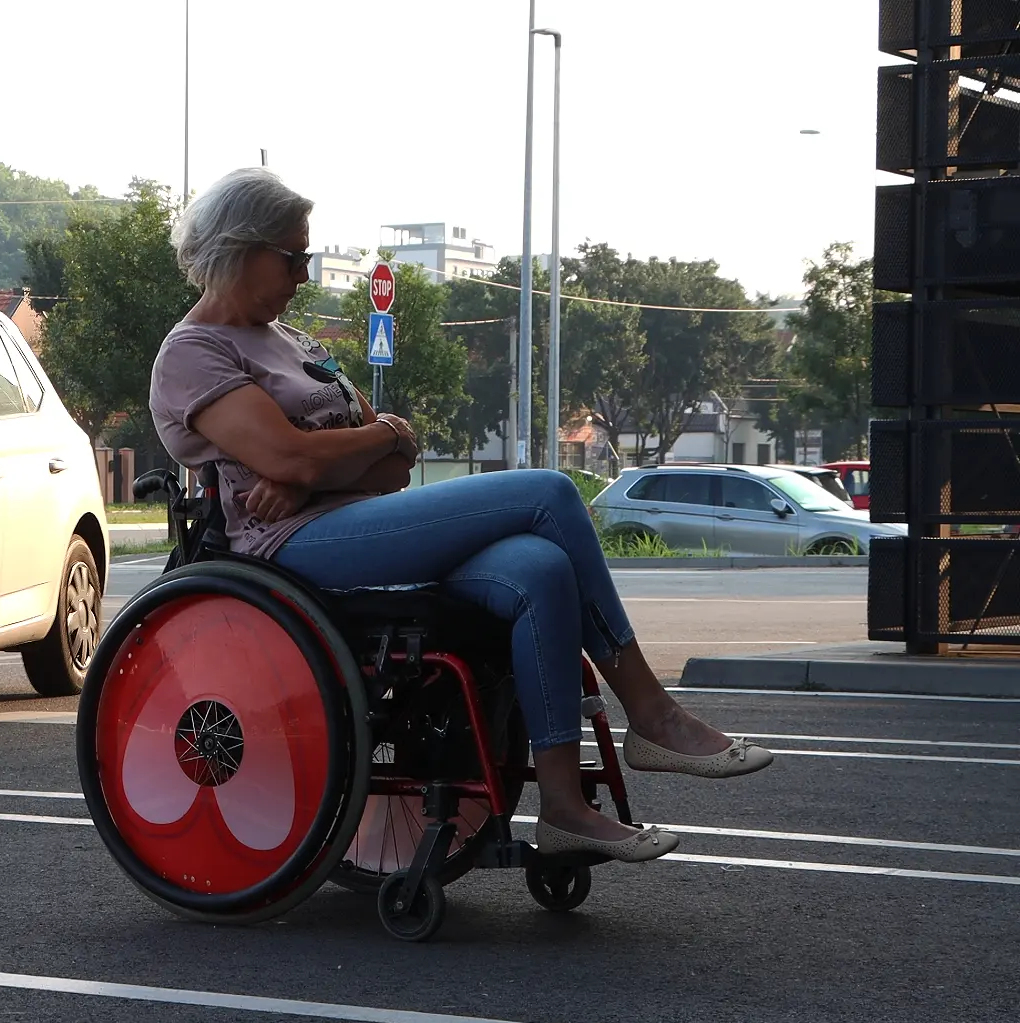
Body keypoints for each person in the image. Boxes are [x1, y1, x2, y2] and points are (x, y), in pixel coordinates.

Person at [149, 168, 773, 864]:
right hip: (290, 550)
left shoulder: (290, 341)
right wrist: (369, 439)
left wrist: (334, 462)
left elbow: (390, 467)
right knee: (549, 493)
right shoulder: (194, 353)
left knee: (539, 567)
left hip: (353, 520)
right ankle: (652, 713)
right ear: (241, 249)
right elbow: (305, 454)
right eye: (292, 257)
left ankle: (565, 808)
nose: (303, 273)